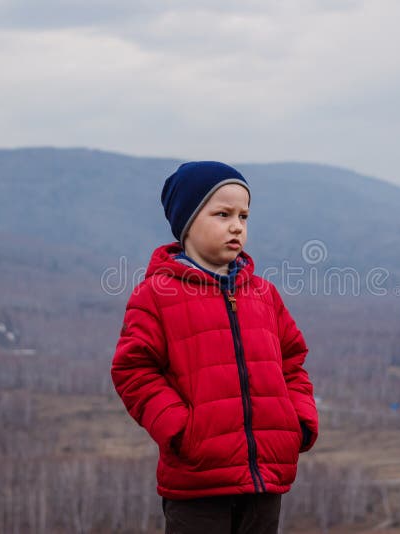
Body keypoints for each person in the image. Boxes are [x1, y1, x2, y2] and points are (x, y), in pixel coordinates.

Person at [111, 161, 319, 533]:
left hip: (267, 479)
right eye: (222, 214)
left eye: (243, 215)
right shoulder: (157, 295)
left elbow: (293, 363)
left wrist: (298, 422)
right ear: (187, 222)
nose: (237, 225)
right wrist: (180, 431)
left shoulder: (264, 295)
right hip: (198, 484)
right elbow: (134, 371)